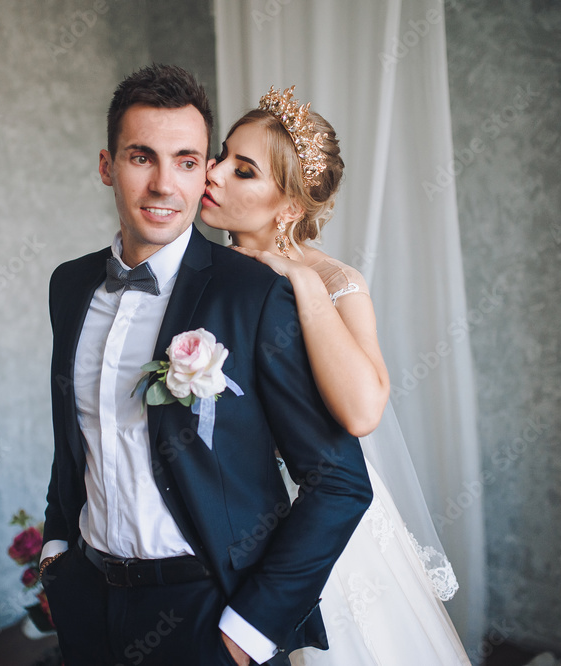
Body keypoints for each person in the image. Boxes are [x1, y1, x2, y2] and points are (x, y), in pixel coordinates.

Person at [39, 65, 372, 666]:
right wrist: (56, 550)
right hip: (88, 605)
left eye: (187, 161)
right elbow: (75, 435)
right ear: (107, 167)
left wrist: (246, 634)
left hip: (207, 615)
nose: (164, 185)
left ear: (202, 173)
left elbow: (340, 482)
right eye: (142, 158)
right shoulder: (69, 286)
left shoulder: (257, 294)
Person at [200, 85, 472, 665]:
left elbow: (362, 410)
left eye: (242, 171)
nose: (213, 174)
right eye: (222, 155)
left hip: (318, 513)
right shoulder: (204, 274)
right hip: (229, 511)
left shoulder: (335, 281)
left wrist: (299, 281)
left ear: (290, 208)